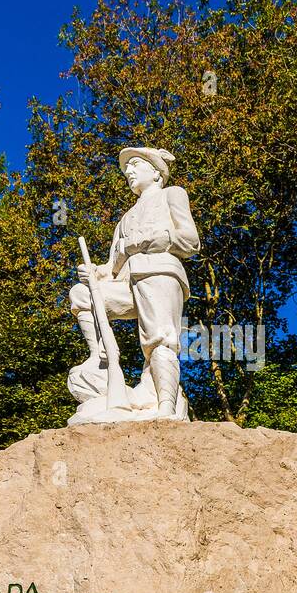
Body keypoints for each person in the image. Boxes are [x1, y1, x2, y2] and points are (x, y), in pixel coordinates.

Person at [70, 147, 200, 418]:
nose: (128, 171)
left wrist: (144, 240)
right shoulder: (125, 219)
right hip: (127, 284)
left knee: (159, 339)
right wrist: (96, 272)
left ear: (156, 172)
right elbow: (113, 267)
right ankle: (101, 358)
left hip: (159, 272)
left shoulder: (171, 194)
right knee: (82, 294)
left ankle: (165, 406)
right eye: (126, 168)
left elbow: (190, 240)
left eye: (135, 164)